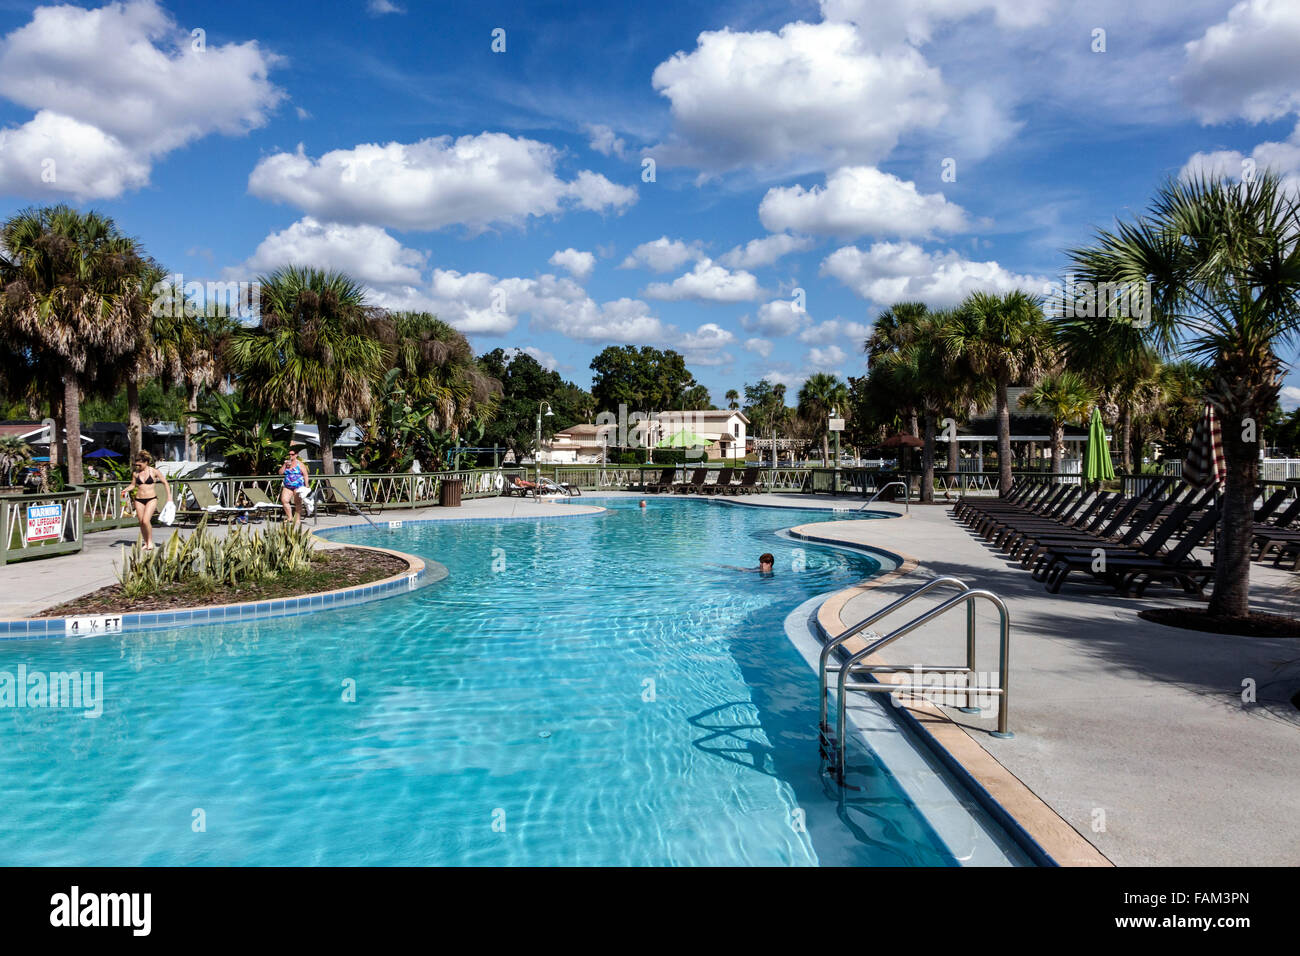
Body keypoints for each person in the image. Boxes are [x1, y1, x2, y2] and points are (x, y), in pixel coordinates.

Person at [120, 451, 171, 551]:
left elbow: (165, 482)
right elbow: (133, 485)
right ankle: (146, 542)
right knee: (141, 522)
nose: (138, 466)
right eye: (136, 464)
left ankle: (150, 541)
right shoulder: (135, 473)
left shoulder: (154, 471)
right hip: (139, 499)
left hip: (151, 498)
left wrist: (169, 496)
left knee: (146, 520)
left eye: (140, 464)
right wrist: (125, 490)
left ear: (146, 462)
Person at [279, 449, 311, 523]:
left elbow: (305, 475)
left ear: (296, 455)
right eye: (289, 454)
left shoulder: (300, 464)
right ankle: (290, 517)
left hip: (298, 486)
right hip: (287, 486)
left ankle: (297, 519)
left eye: (292, 454)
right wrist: (284, 465)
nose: (290, 456)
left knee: (297, 502)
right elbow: (280, 473)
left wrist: (307, 485)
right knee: (284, 500)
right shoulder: (286, 464)